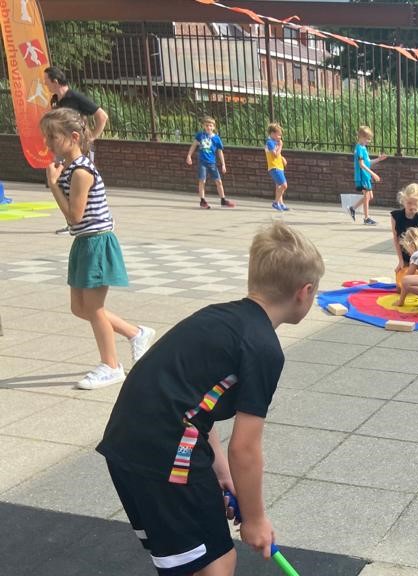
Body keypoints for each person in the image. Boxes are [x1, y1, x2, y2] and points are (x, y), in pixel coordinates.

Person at [96, 221, 325, 576]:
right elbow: (245, 449)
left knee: (188, 561)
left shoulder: (218, 317)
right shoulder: (263, 348)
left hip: (125, 444)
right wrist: (255, 518)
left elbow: (193, 405)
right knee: (215, 561)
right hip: (166, 456)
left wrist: (221, 473)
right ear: (304, 291)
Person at [40, 108, 155, 390]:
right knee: (79, 308)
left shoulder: (80, 171)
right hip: (83, 243)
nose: (48, 143)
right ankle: (135, 332)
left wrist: (53, 185)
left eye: (53, 137)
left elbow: (74, 216)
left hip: (96, 243)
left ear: (74, 137)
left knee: (94, 308)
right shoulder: (70, 167)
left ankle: (111, 366)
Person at [45, 66, 110, 235]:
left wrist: (91, 137)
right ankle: (72, 224)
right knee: (65, 183)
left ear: (56, 81)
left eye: (47, 82)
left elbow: (102, 116)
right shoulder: (55, 101)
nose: (45, 85)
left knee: (76, 186)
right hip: (83, 236)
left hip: (93, 238)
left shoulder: (75, 97)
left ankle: (75, 222)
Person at [185, 116, 235, 209]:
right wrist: (189, 155)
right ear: (204, 126)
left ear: (214, 127)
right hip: (202, 162)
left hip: (212, 163)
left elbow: (220, 152)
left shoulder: (216, 139)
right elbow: (193, 145)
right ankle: (202, 201)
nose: (209, 127)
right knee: (202, 180)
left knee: (219, 181)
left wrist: (223, 164)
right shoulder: (200, 135)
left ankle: (223, 200)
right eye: (207, 125)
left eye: (210, 126)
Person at [391, 183, 418, 280]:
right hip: (405, 254)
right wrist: (400, 260)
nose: (412, 206)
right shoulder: (395, 217)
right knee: (402, 279)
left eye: (416, 204)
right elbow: (396, 239)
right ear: (403, 200)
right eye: (409, 203)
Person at [352, 125, 387, 225]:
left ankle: (352, 208)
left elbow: (368, 162)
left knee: (369, 196)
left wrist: (379, 159)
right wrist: (373, 174)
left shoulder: (363, 148)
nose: (369, 141)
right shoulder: (359, 148)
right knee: (367, 196)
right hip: (362, 176)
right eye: (368, 139)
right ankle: (366, 218)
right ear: (362, 137)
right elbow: (361, 165)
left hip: (366, 175)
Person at [265, 123, 288, 211]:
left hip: (279, 166)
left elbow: (277, 154)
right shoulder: (270, 142)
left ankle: (281, 203)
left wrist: (282, 158)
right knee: (284, 185)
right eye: (279, 135)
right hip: (274, 167)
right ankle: (275, 202)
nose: (280, 137)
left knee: (279, 186)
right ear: (272, 134)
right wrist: (281, 146)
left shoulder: (275, 142)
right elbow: (274, 155)